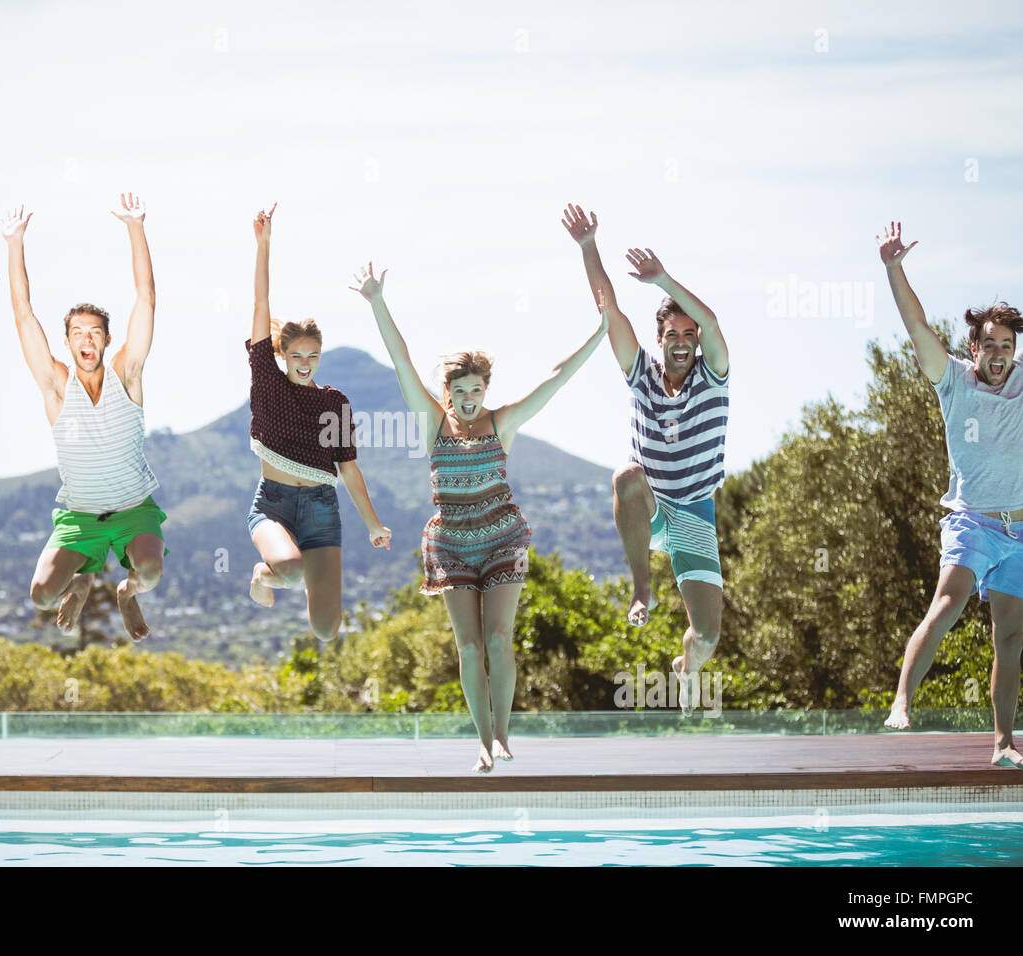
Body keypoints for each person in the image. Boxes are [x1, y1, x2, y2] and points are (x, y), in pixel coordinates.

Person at [350, 249, 608, 773]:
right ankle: (483, 741)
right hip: (451, 543)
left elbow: (555, 379)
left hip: (501, 537)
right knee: (469, 649)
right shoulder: (434, 423)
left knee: (497, 638)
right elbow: (402, 363)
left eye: (476, 391)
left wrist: (601, 333)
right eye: (459, 392)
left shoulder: (502, 423)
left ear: (486, 390)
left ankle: (504, 735)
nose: (468, 400)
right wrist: (378, 302)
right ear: (445, 394)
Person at [563, 203, 729, 717]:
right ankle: (643, 588)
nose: (681, 343)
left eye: (688, 335)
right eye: (671, 335)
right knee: (627, 474)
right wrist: (589, 247)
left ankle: (686, 668)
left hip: (695, 514)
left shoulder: (714, 375)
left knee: (706, 635)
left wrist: (664, 281)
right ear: (659, 342)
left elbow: (713, 318)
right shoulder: (642, 376)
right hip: (653, 505)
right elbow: (609, 310)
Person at [877, 222, 1023, 768]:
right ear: (974, 346)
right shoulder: (954, 380)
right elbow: (915, 325)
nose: (999, 354)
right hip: (972, 523)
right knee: (948, 604)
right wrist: (895, 268)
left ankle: (1003, 742)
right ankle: (902, 701)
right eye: (990, 344)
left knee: (1009, 639)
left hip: (1020, 530)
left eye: (1007, 346)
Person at [2, 193, 168, 643]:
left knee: (149, 572)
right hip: (79, 517)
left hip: (133, 511)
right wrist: (14, 242)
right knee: (40, 595)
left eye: (95, 332)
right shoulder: (57, 387)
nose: (87, 340)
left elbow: (146, 298)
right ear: (69, 342)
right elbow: (22, 316)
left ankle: (127, 591)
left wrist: (136, 227)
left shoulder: (127, 374)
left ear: (108, 339)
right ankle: (82, 577)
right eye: (78, 333)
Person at [246, 204, 391, 639]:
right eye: (297, 356)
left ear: (320, 355)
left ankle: (296, 576)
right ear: (282, 355)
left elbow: (348, 467)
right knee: (288, 570)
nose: (304, 363)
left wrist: (372, 523)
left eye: (312, 356)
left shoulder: (335, 402)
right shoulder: (268, 380)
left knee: (327, 628)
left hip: (322, 511)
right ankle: (264, 575)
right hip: (273, 504)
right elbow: (260, 302)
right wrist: (264, 244)